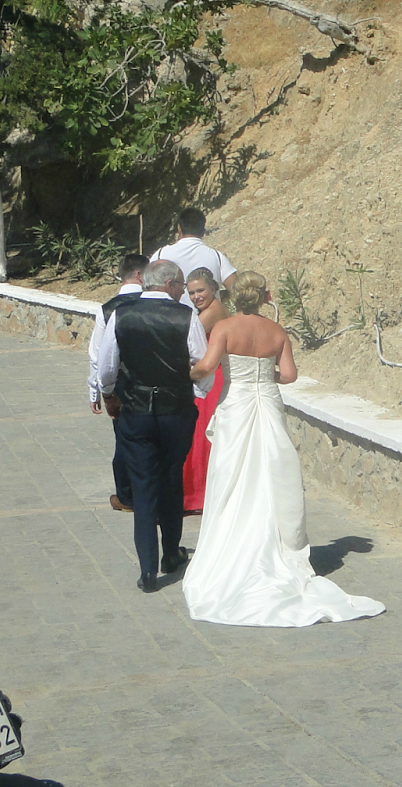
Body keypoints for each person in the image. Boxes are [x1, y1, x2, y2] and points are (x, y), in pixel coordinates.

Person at [182, 271, 384, 627]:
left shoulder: (224, 328)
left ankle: (233, 542)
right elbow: (289, 375)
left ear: (233, 297)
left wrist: (188, 371)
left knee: (232, 474)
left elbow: (208, 367)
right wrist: (264, 375)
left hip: (236, 406)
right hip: (267, 404)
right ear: (264, 297)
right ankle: (276, 545)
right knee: (271, 472)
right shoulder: (277, 332)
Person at [86, 259, 207, 592]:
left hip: (135, 410)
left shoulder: (122, 314)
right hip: (175, 410)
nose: (183, 291)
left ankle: (148, 570)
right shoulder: (185, 316)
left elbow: (107, 364)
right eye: (180, 284)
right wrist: (196, 392)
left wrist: (108, 394)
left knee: (143, 488)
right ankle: (171, 553)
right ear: (168, 284)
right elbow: (201, 362)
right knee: (171, 479)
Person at [88, 253, 148, 513]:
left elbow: (98, 356)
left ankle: (127, 495)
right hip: (156, 381)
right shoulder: (159, 304)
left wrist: (97, 391)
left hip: (122, 385)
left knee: (124, 439)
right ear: (140, 275)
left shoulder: (107, 309)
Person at [181, 267, 227, 513]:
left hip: (210, 378)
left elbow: (185, 340)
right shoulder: (214, 309)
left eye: (201, 290)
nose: (196, 296)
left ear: (214, 289)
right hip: (213, 375)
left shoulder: (211, 313)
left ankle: (197, 495)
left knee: (200, 437)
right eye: (191, 292)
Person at [152, 207, 237, 291]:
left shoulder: (160, 255)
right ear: (203, 231)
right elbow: (237, 290)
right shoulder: (217, 257)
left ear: (179, 228)